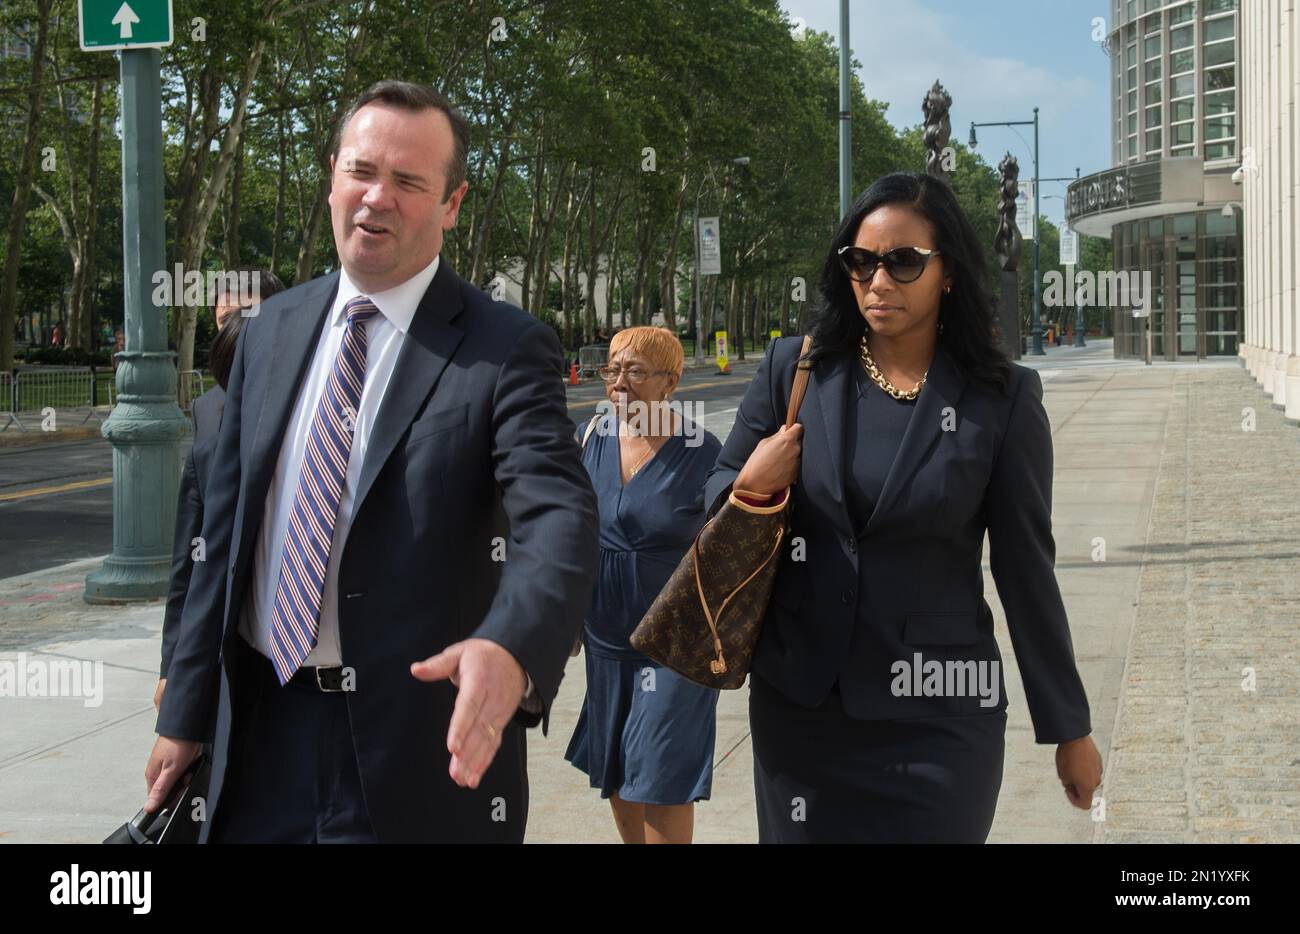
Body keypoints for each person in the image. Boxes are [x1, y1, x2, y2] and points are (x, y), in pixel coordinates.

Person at [144, 80, 599, 843]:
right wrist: (186, 714)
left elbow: (559, 516)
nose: (375, 198)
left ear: (452, 204)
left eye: (409, 182)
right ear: (331, 176)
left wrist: (513, 642)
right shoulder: (269, 331)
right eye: (360, 171)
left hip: (414, 757)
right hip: (256, 739)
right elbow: (218, 546)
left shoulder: (506, 348)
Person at [706, 171, 1103, 843]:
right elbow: (715, 503)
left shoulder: (1001, 398)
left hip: (942, 719)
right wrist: (753, 480)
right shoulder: (793, 372)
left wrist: (1069, 727)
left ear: (947, 270)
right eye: (860, 262)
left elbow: (1024, 567)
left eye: (903, 262)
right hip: (805, 718)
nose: (878, 281)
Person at [564, 327, 722, 844]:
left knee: (661, 772)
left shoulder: (702, 451)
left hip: (675, 643)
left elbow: (729, 543)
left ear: (670, 381)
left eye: (634, 371)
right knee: (619, 767)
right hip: (606, 638)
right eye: (612, 369)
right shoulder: (590, 438)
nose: (618, 383)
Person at [156, 269, 286, 713]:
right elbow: (187, 561)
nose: (233, 329)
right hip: (225, 646)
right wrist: (171, 668)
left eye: (245, 316)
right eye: (223, 318)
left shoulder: (315, 400)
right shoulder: (208, 411)